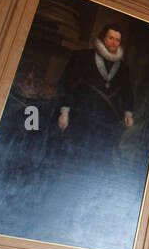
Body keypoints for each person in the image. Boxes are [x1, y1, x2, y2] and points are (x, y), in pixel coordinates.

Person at [57, 23, 134, 160]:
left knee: (98, 158)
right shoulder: (82, 57)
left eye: (117, 40)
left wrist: (128, 112)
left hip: (106, 123)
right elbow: (67, 84)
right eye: (111, 38)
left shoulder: (123, 68)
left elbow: (127, 92)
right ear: (103, 38)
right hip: (81, 117)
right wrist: (64, 112)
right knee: (73, 157)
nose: (113, 42)